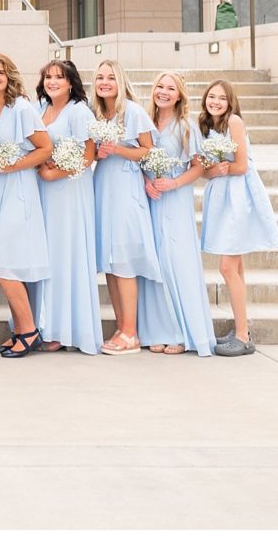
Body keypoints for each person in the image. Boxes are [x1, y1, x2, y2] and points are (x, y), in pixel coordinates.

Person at [0, 52, 54, 358]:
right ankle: (20, 331)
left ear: (9, 75)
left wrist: (14, 165)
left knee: (2, 262)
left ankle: (30, 331)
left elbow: (45, 148)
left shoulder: (21, 108)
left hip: (18, 189)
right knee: (2, 263)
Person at [198, 80, 278, 357]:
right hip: (222, 194)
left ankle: (243, 336)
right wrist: (213, 169)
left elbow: (242, 165)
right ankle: (240, 328)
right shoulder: (208, 124)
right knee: (237, 267)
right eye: (212, 97)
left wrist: (223, 167)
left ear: (231, 101)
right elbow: (206, 171)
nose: (216, 102)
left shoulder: (234, 121)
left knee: (227, 267)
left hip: (238, 196)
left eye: (222, 98)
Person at [138, 71, 216, 357]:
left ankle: (182, 332)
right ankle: (157, 330)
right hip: (150, 198)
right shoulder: (144, 123)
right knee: (154, 261)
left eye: (171, 88)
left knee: (176, 261)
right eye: (160, 86)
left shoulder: (186, 127)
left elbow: (198, 167)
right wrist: (147, 181)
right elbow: (139, 160)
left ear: (180, 95)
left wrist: (172, 183)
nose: (164, 92)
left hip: (175, 198)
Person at [30, 60, 101, 354]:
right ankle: (41, 323)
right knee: (45, 255)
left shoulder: (79, 111)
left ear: (71, 82)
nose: (52, 82)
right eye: (48, 77)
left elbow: (89, 156)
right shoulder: (39, 109)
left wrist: (52, 172)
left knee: (63, 256)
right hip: (43, 194)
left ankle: (62, 329)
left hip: (68, 194)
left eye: (59, 77)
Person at [90, 59, 159, 355]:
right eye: (100, 78)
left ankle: (131, 332)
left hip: (125, 187)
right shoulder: (98, 114)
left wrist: (116, 149)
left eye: (110, 78)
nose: (104, 82)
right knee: (110, 262)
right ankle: (121, 326)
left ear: (120, 82)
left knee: (124, 261)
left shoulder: (132, 111)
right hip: (103, 184)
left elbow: (148, 150)